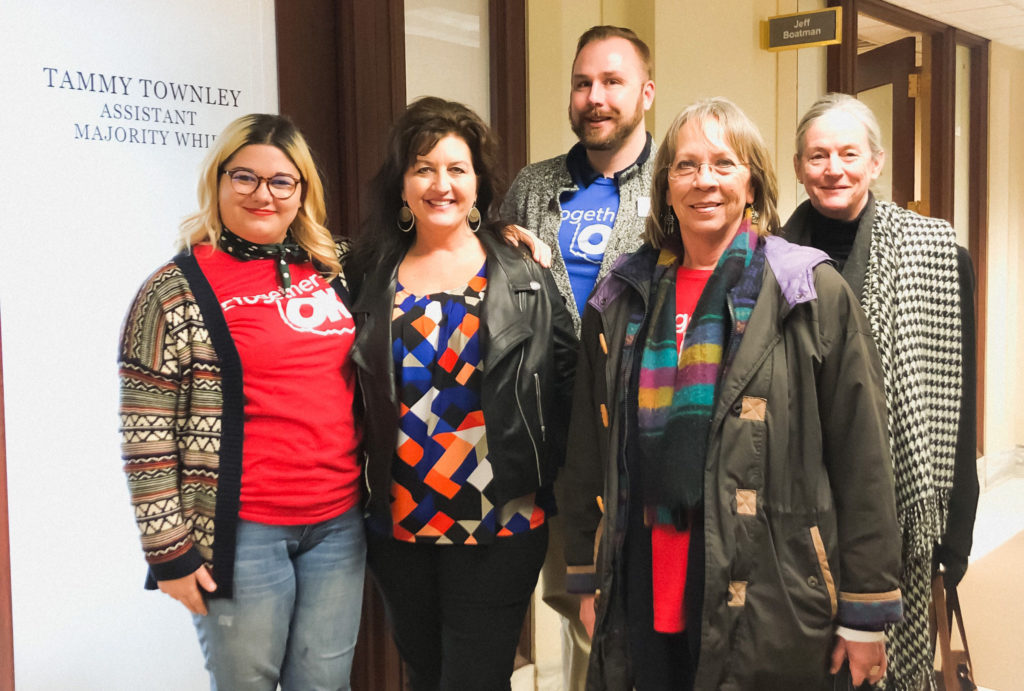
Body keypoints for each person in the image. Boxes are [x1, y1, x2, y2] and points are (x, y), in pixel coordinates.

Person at [560, 97, 904, 689]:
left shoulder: (807, 288)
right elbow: (589, 450)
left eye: (724, 163)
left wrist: (866, 609)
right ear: (666, 186)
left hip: (772, 581)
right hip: (644, 572)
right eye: (686, 166)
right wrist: (587, 577)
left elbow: (863, 457)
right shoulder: (622, 295)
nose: (705, 181)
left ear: (753, 182)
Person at [119, 114, 365, 690]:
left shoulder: (334, 267)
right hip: (242, 530)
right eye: (245, 177)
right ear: (219, 181)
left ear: (302, 191)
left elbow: (429, 251)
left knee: (325, 686)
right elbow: (143, 432)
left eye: (283, 181)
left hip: (338, 524)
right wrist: (168, 553)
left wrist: (502, 237)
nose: (264, 194)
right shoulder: (171, 290)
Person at [348, 96, 577, 691]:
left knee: (476, 678)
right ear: (401, 183)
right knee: (423, 674)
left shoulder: (524, 273)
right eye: (423, 168)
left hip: (500, 519)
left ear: (479, 182)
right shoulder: (367, 271)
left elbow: (565, 386)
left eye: (457, 169)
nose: (440, 184)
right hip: (399, 522)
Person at [783, 92, 978, 691]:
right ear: (799, 167)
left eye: (848, 153)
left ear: (876, 162)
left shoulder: (938, 254)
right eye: (818, 156)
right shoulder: (766, 259)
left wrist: (955, 533)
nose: (833, 168)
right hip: (794, 508)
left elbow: (959, 407)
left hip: (896, 509)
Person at [499, 25, 655, 689]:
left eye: (612, 82)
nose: (595, 97)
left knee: (622, 624)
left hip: (637, 441)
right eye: (583, 82)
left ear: (645, 92)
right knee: (557, 611)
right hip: (542, 441)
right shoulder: (533, 187)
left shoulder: (678, 181)